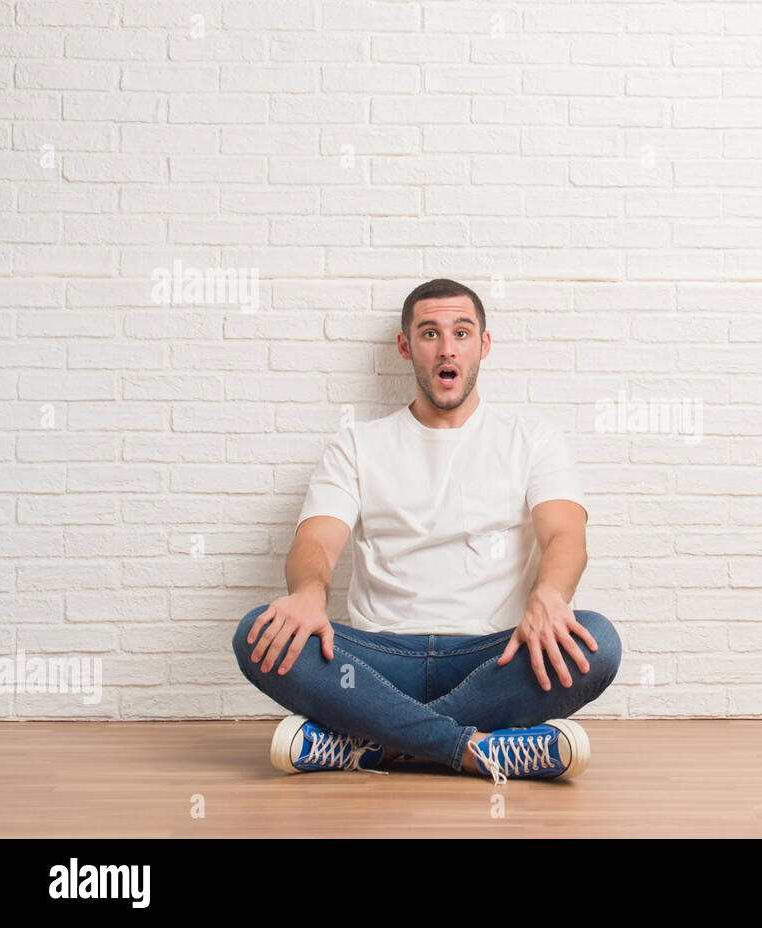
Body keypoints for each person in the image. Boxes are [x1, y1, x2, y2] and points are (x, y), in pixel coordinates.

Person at [231, 279, 621, 786]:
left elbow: (566, 534)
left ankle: (374, 744)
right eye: (429, 333)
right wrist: (307, 593)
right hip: (375, 663)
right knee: (257, 632)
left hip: (492, 659)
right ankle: (472, 749)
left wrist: (550, 595)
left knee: (599, 643)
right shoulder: (357, 445)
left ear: (483, 344)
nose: (447, 347)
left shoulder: (533, 440)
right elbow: (316, 542)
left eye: (461, 332)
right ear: (405, 346)